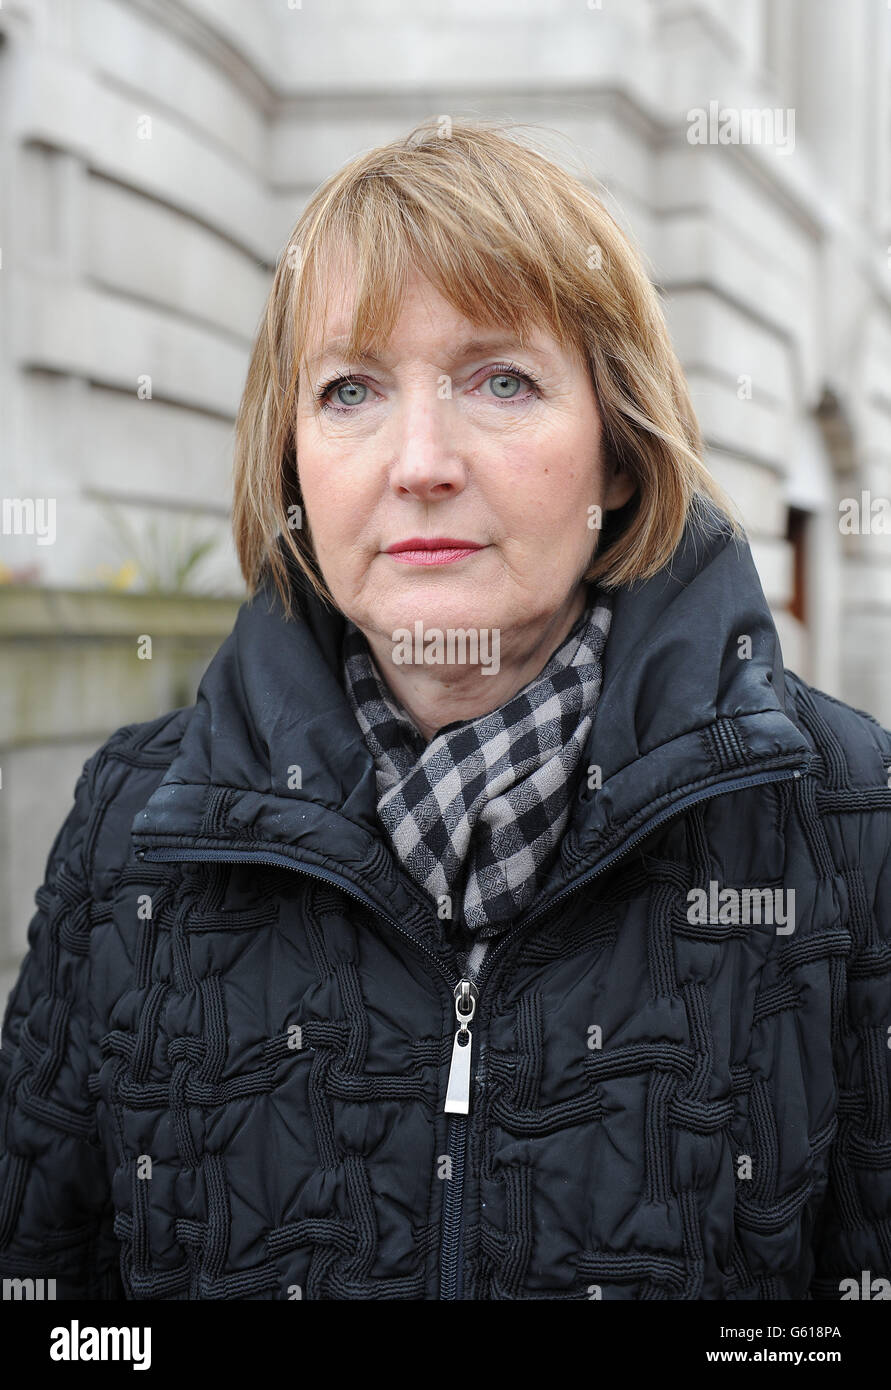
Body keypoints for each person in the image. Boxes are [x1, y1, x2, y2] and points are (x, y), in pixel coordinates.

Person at [1, 118, 889, 1302]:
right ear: (293, 461)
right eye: (352, 389)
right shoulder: (131, 828)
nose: (420, 459)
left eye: (502, 380)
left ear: (618, 453)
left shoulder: (842, 814)